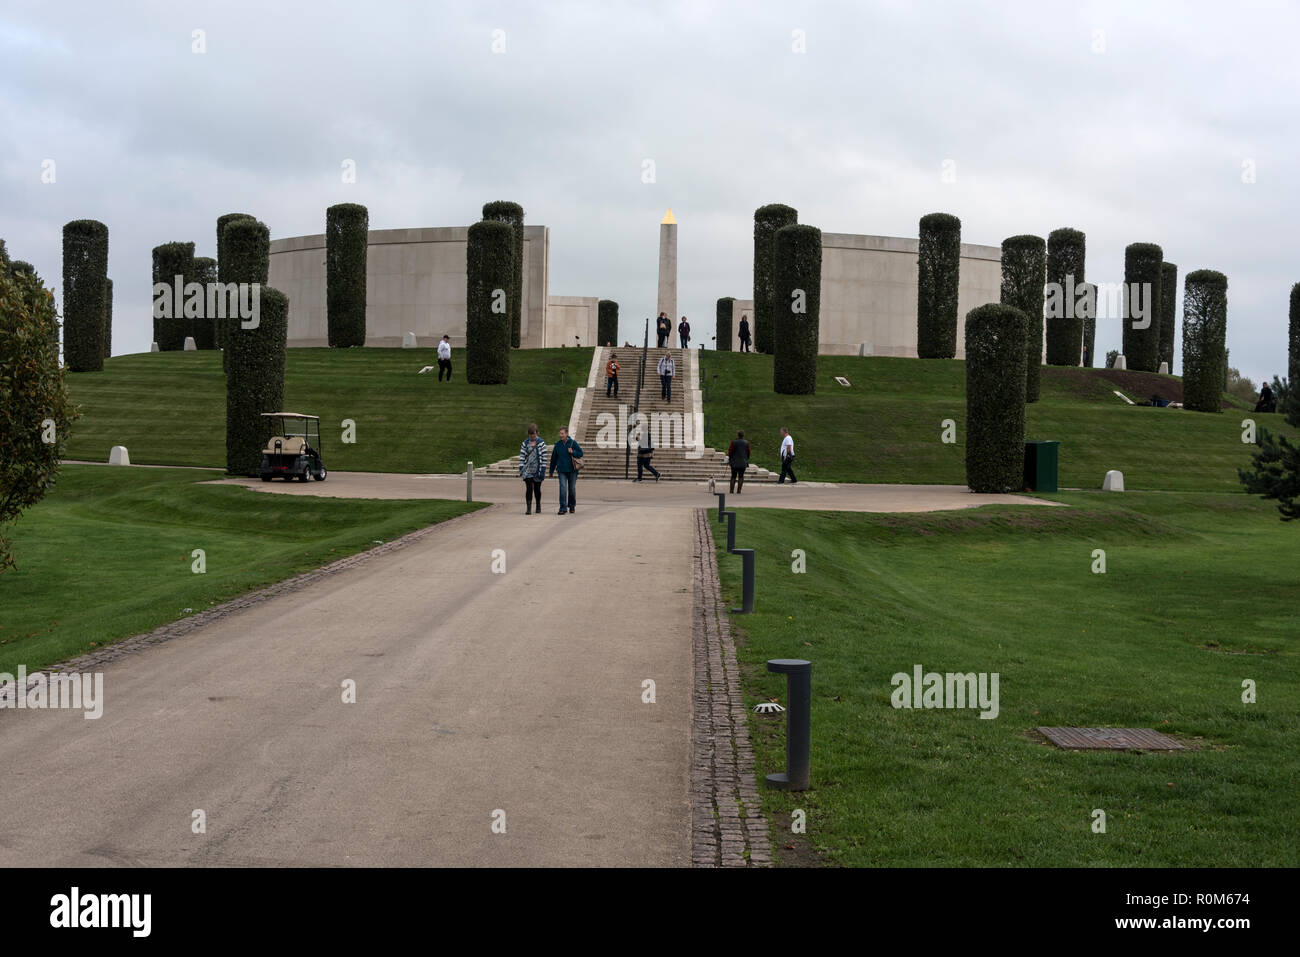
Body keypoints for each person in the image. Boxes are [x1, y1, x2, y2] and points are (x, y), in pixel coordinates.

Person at [548, 425, 584, 514]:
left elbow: (580, 453)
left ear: (567, 434)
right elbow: (553, 459)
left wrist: (573, 452)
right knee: (563, 488)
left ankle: (572, 506)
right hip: (561, 470)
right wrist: (551, 471)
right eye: (560, 433)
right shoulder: (557, 445)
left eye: (562, 433)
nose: (560, 435)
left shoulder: (573, 442)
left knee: (572, 489)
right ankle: (563, 508)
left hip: (572, 470)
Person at [519, 423, 548, 515]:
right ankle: (528, 508)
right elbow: (522, 456)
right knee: (529, 488)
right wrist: (521, 467)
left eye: (534, 434)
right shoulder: (525, 443)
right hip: (528, 470)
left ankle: (538, 504)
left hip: (538, 469)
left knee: (537, 489)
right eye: (531, 434)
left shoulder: (541, 443)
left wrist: (542, 470)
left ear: (537, 433)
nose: (532, 436)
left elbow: (544, 458)